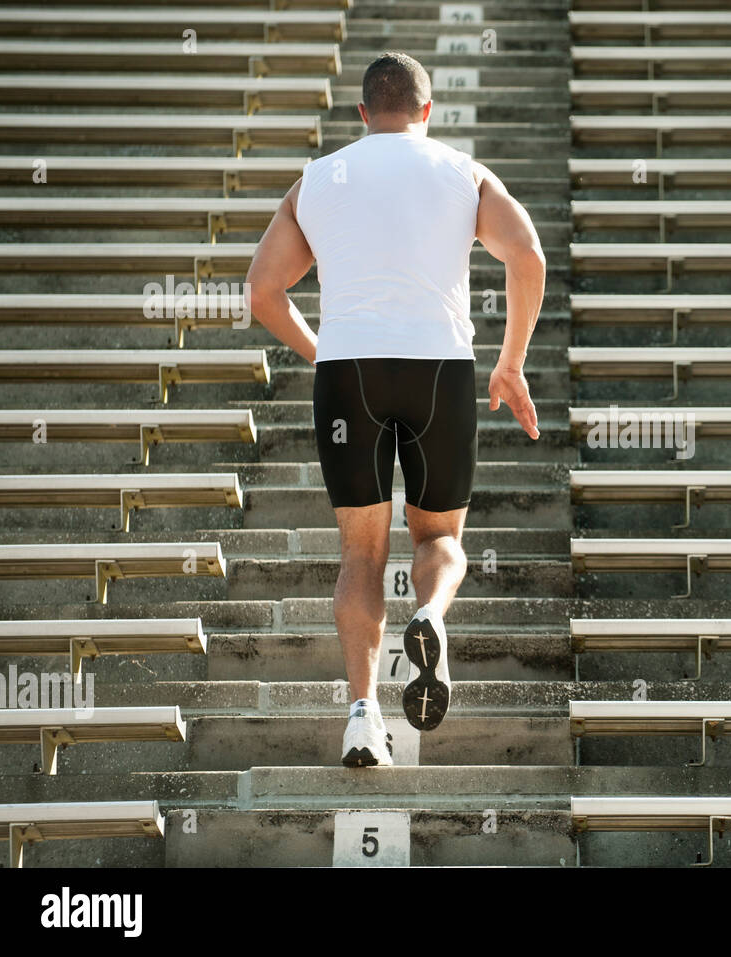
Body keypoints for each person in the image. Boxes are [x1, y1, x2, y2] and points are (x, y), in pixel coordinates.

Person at [245, 51, 545, 767]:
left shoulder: (318, 178)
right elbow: (527, 254)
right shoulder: (462, 170)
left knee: (360, 553)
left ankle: (360, 714)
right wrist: (511, 362)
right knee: (438, 540)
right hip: (439, 367)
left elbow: (261, 292)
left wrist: (325, 353)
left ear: (361, 113)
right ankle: (429, 616)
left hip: (351, 371)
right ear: (427, 110)